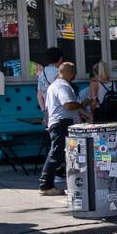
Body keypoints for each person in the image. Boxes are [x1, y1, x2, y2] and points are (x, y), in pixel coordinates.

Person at [39, 62, 84, 195]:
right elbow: (68, 105)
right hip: (61, 124)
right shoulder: (62, 86)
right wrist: (83, 103)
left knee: (59, 153)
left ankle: (50, 183)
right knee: (56, 154)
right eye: (74, 72)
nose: (75, 75)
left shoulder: (54, 86)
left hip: (57, 123)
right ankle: (46, 185)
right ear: (69, 72)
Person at [35, 47, 62, 113]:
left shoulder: (42, 73)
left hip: (48, 111)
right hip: (59, 111)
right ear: (60, 59)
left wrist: (44, 111)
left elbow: (39, 95)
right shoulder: (58, 72)